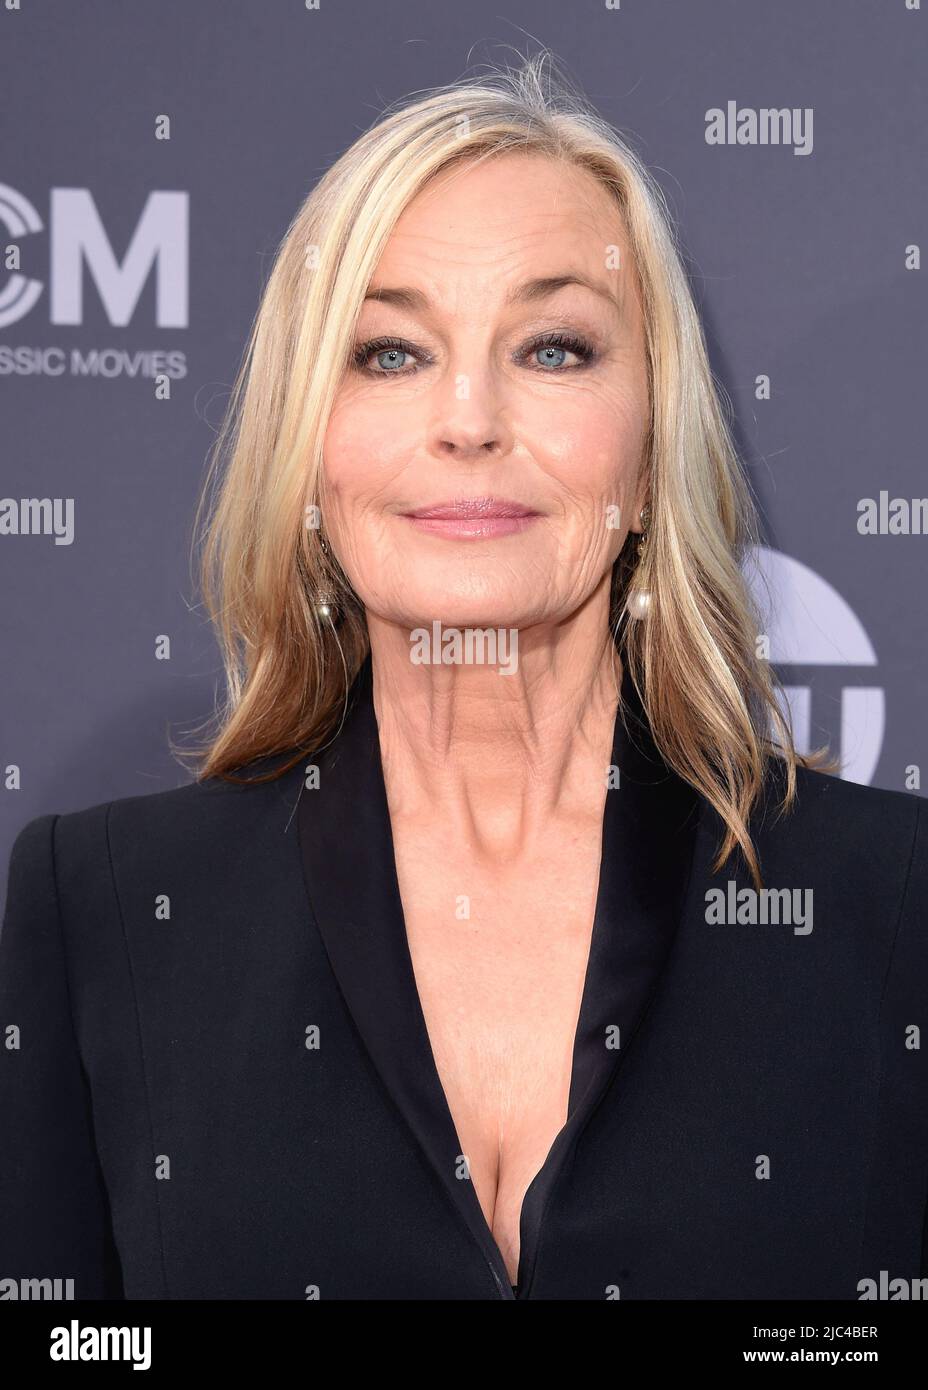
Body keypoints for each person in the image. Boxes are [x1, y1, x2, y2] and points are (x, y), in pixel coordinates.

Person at [1, 53, 925, 1301]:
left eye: (552, 348)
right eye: (389, 353)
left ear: (653, 447)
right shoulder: (101, 906)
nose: (470, 417)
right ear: (307, 449)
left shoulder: (891, 903)